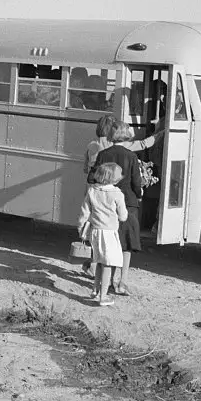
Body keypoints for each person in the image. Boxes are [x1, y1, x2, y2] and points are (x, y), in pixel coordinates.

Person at [89, 120, 143, 296]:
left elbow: (91, 178)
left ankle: (106, 281)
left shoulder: (103, 154)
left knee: (110, 243)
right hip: (127, 201)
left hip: (106, 201)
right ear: (126, 135)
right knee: (126, 244)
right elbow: (136, 182)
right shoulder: (132, 156)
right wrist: (139, 193)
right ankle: (121, 282)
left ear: (112, 135)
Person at [78, 162, 127, 307]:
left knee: (99, 261)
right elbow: (123, 216)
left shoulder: (92, 190)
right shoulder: (117, 193)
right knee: (108, 264)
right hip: (109, 232)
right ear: (115, 178)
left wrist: (81, 229)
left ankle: (95, 289)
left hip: (95, 231)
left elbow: (84, 212)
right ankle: (103, 296)